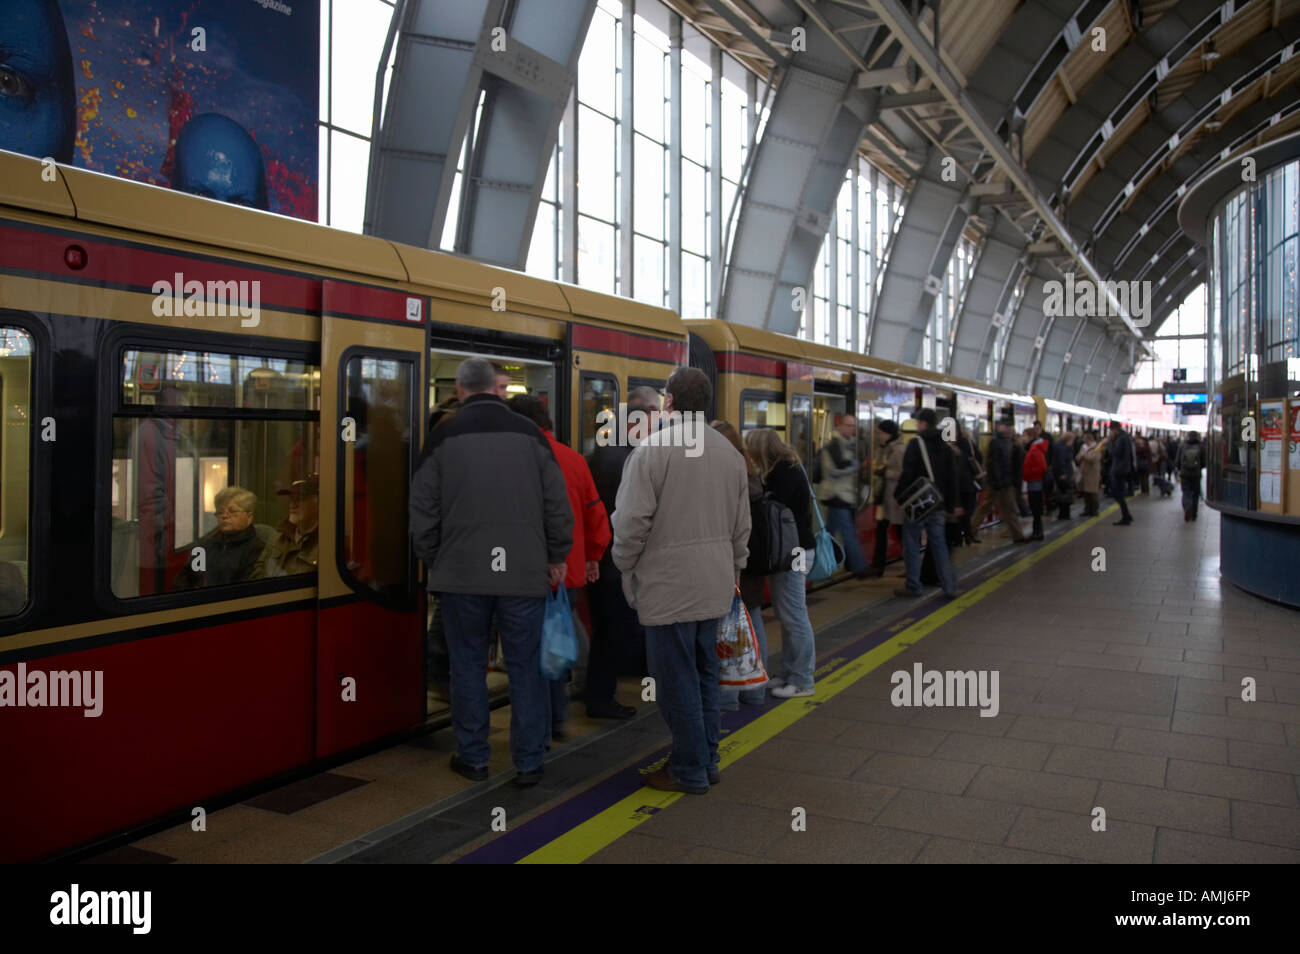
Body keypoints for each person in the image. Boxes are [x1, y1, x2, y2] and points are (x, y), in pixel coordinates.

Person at [410, 357, 573, 789]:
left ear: (461, 390)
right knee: (525, 668)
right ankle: (529, 762)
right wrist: (557, 555)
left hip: (461, 574)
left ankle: (474, 757)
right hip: (523, 573)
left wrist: (434, 556)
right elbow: (557, 505)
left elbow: (422, 509)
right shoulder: (532, 435)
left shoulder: (442, 437)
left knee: (467, 666)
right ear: (497, 390)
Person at [612, 367, 749, 794]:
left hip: (668, 586)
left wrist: (625, 565)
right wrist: (733, 571)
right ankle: (707, 759)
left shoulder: (653, 450)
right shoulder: (730, 454)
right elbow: (741, 527)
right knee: (706, 673)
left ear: (669, 402)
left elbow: (631, 523)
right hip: (715, 583)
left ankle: (689, 768)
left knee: (676, 680)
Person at [507, 394, 610, 743]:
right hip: (569, 573)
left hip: (521, 574)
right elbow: (598, 519)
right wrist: (593, 556)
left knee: (525, 653)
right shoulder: (575, 460)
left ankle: (535, 730)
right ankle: (557, 718)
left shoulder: (513, 460)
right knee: (554, 643)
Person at [585, 385, 661, 720]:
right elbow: (634, 512)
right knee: (615, 630)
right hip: (618, 559)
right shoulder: (627, 456)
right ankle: (601, 698)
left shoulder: (603, 449)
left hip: (603, 556)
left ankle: (599, 693)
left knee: (609, 630)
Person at [745, 428, 819, 699]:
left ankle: (802, 679)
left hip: (794, 553)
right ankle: (790, 673)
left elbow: (768, 507)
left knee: (794, 616)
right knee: (789, 615)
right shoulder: (790, 467)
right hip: (797, 550)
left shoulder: (781, 474)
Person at [713, 421, 771, 710]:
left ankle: (729, 696)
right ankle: (755, 691)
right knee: (752, 621)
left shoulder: (725, 474)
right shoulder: (751, 472)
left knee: (727, 628)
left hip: (735, 561)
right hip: (753, 560)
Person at [894, 409, 961, 598]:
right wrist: (950, 506)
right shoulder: (946, 446)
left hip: (918, 502)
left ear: (923, 423)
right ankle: (949, 586)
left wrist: (899, 496)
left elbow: (908, 473)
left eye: (917, 422)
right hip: (937, 504)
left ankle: (914, 586)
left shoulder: (916, 443)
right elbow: (952, 478)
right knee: (939, 545)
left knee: (912, 544)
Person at [175, 486, 265, 588]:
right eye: (220, 512)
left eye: (232, 511)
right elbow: (187, 577)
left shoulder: (257, 549)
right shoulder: (205, 545)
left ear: (249, 517)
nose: (224, 516)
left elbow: (246, 590)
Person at [818, 415, 870, 577]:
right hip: (836, 495)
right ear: (839, 426)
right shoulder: (832, 445)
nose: (851, 429)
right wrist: (854, 467)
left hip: (845, 496)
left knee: (829, 534)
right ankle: (860, 568)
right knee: (848, 533)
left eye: (853, 426)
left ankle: (819, 564)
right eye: (848, 425)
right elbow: (833, 470)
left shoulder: (850, 445)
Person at [970, 420, 1028, 543]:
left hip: (1001, 482)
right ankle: (971, 530)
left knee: (1004, 508)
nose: (1010, 430)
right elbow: (995, 463)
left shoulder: (1005, 442)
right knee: (998, 508)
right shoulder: (998, 443)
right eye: (1008, 427)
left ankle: (1017, 535)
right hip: (998, 483)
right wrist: (998, 482)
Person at [255, 476, 320, 577]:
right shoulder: (278, 537)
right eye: (291, 499)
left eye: (300, 500)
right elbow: (258, 573)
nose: (292, 505)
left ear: (318, 502)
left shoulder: (326, 543)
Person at [870, 419, 906, 573]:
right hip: (884, 497)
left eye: (881, 433)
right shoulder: (882, 449)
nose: (879, 436)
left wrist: (886, 472)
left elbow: (904, 474)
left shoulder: (899, 450)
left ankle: (910, 565)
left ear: (889, 434)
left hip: (895, 498)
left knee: (901, 532)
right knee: (881, 530)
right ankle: (878, 566)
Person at [1022, 429, 1048, 541]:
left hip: (1034, 482)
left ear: (1031, 437)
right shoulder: (1034, 448)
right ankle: (1037, 532)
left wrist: (1029, 474)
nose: (1023, 438)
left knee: (1036, 509)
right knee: (1035, 509)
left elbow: (1041, 467)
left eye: (1025, 436)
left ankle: (1038, 533)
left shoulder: (1034, 449)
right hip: (1034, 481)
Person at [1108, 421, 1135, 525]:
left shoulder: (1121, 438)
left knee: (1117, 493)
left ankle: (1126, 516)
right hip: (1123, 468)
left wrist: (1109, 442)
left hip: (1119, 469)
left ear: (1115, 429)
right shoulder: (1126, 437)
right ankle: (1126, 515)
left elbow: (1115, 453)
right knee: (1119, 493)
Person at [1175, 430, 1206, 521]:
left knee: (1186, 492)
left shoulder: (1182, 446)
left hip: (1184, 474)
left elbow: (1177, 461)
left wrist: (1179, 469)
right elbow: (1204, 462)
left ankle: (1187, 507)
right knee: (1195, 494)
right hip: (1196, 474)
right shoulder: (1200, 446)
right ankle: (1194, 514)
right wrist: (1199, 467)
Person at [1075, 430, 1103, 517]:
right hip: (1084, 472)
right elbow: (1078, 456)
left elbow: (1093, 458)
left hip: (1093, 473)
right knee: (1086, 492)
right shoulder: (1083, 447)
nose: (1084, 442)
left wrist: (1084, 455)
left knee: (1092, 492)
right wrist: (1081, 456)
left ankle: (1094, 510)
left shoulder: (1098, 447)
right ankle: (1087, 509)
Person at [1051, 431, 1076, 520]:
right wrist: (1063, 473)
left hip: (1062, 473)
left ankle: (1064, 513)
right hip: (1063, 474)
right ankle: (1064, 514)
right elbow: (1061, 462)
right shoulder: (1062, 448)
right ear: (1068, 439)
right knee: (1065, 493)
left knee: (1063, 493)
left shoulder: (1061, 446)